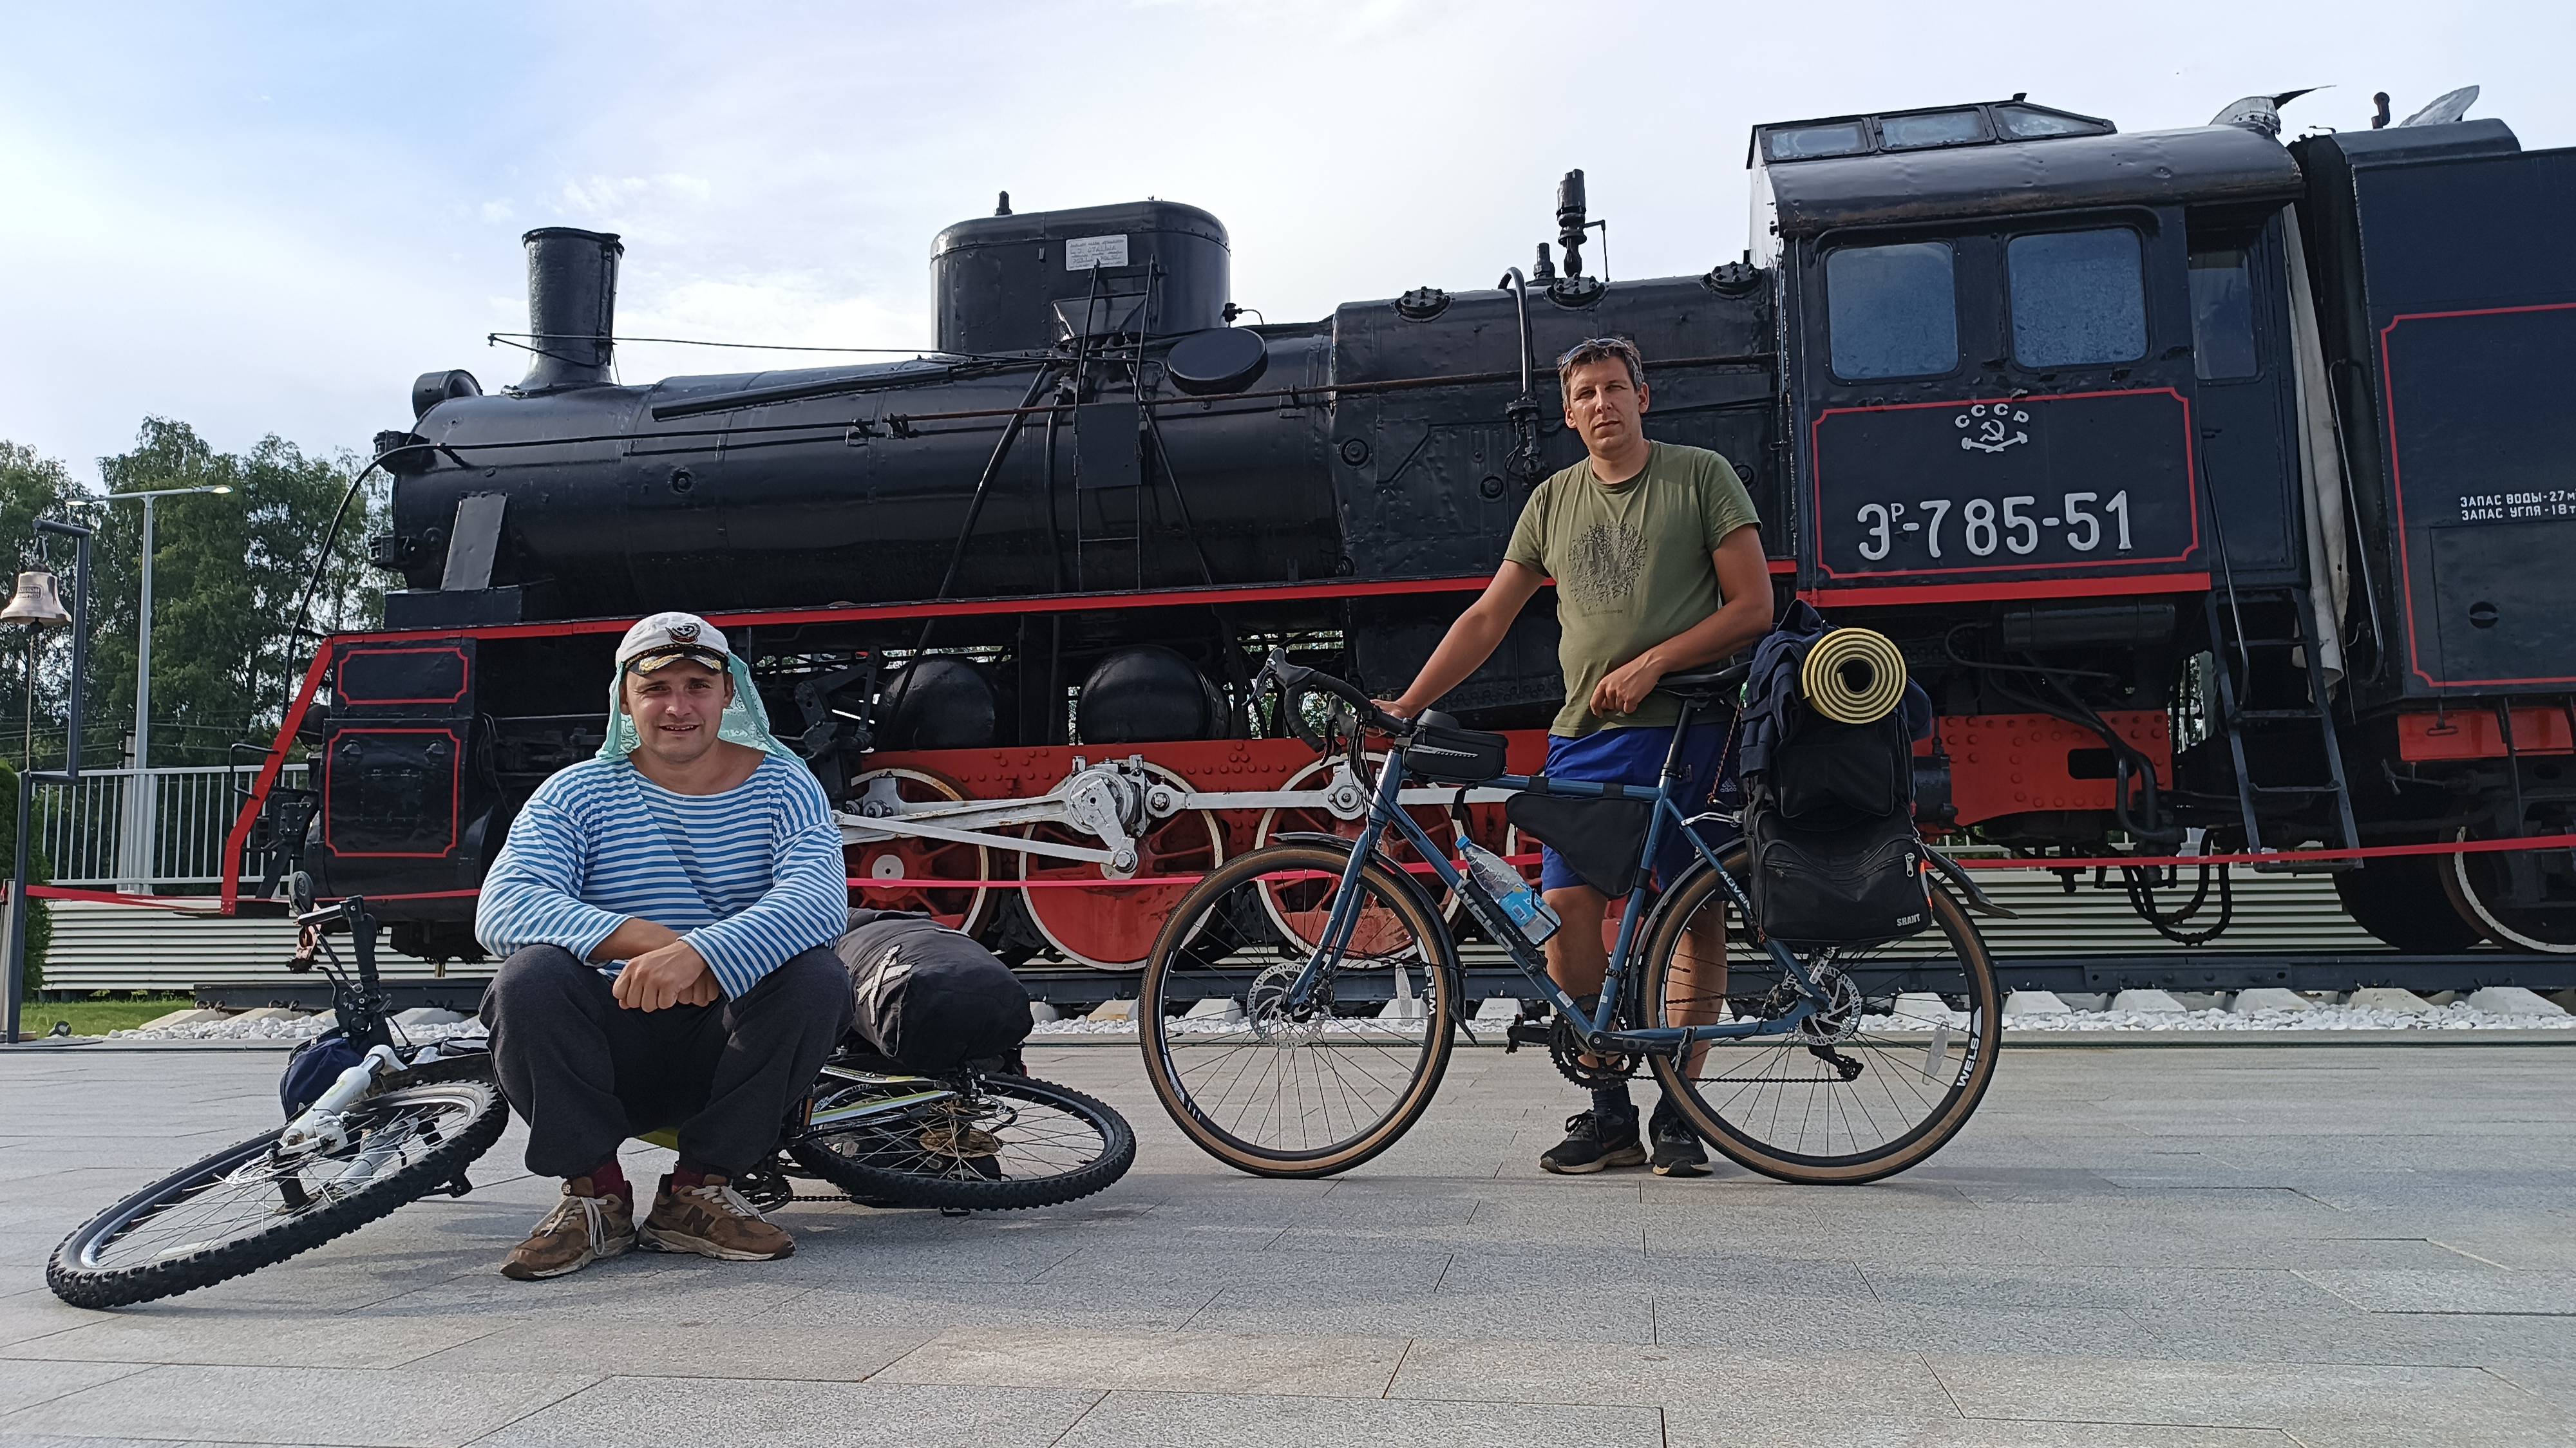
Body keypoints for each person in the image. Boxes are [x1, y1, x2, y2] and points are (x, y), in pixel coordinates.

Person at [1383, 336, 1772, 1177]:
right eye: (1586, 393)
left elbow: (1753, 606)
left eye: (1614, 388)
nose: (1602, 403)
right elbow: (1488, 617)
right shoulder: (1552, 500)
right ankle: (1609, 1112)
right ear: (1567, 413)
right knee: (1564, 913)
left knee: (1694, 915)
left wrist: (1654, 661)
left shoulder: (1701, 476)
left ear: (1643, 396)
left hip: (1689, 731)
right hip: (1584, 737)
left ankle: (1681, 1111)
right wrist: (1409, 702)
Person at [475, 612, 854, 1279]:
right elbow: (504, 906)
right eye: (655, 688)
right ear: (624, 698)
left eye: (697, 685)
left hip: (729, 1046)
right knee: (528, 975)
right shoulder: (576, 793)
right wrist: (651, 940)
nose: (678, 706)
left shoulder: (786, 785)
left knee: (818, 976)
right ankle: (595, 1195)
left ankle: (697, 1191)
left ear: (728, 692)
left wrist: (707, 955)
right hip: (609, 1040)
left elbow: (819, 900)